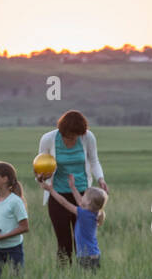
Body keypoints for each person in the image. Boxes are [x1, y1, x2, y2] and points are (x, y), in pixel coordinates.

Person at [37, 111, 108, 265]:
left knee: (81, 239)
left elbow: (94, 161)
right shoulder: (48, 139)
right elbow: (40, 164)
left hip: (83, 196)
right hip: (57, 195)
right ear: (63, 130)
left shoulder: (87, 137)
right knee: (63, 241)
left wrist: (100, 179)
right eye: (71, 135)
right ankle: (64, 274)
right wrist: (40, 178)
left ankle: (84, 271)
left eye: (78, 135)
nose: (75, 138)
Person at [41, 173, 106, 269]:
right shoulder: (94, 213)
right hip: (94, 254)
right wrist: (72, 187)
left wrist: (51, 190)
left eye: (84, 195)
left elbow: (65, 203)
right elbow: (80, 202)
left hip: (85, 256)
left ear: (88, 202)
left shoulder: (84, 214)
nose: (82, 196)